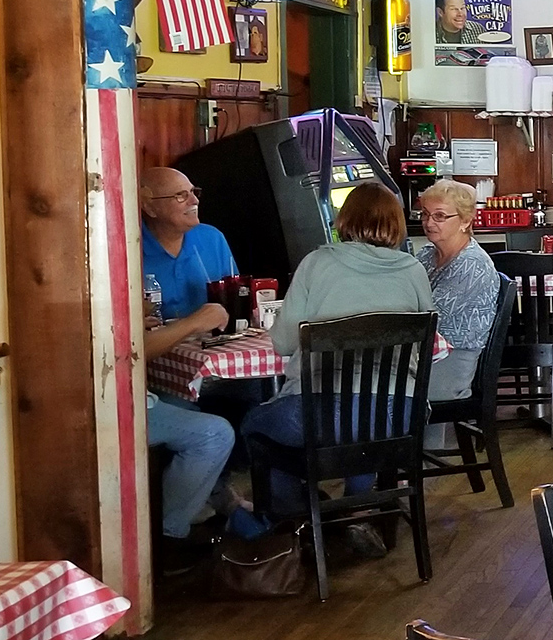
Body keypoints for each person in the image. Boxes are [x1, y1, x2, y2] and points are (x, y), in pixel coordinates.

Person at [241, 182, 434, 557]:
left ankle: (307, 516)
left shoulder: (317, 263)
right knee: (365, 427)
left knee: (253, 427)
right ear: (396, 223)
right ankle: (353, 510)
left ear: (343, 220)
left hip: (319, 413)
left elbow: (281, 343)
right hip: (400, 416)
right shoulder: (413, 269)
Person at [145, 302, 241, 575]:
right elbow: (129, 351)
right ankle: (167, 537)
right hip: (114, 403)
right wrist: (194, 322)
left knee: (194, 406)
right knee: (215, 434)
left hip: (129, 395)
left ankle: (211, 497)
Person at [416, 180, 498, 402]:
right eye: (425, 214)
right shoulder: (425, 255)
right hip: (421, 352)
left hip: (451, 360)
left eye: (440, 216)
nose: (429, 222)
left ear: (465, 220)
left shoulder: (472, 264)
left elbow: (431, 318)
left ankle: (417, 437)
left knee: (374, 383)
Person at [141, 167, 237, 320]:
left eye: (193, 192)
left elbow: (235, 299)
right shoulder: (130, 248)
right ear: (150, 208)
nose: (195, 201)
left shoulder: (212, 238)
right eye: (181, 195)